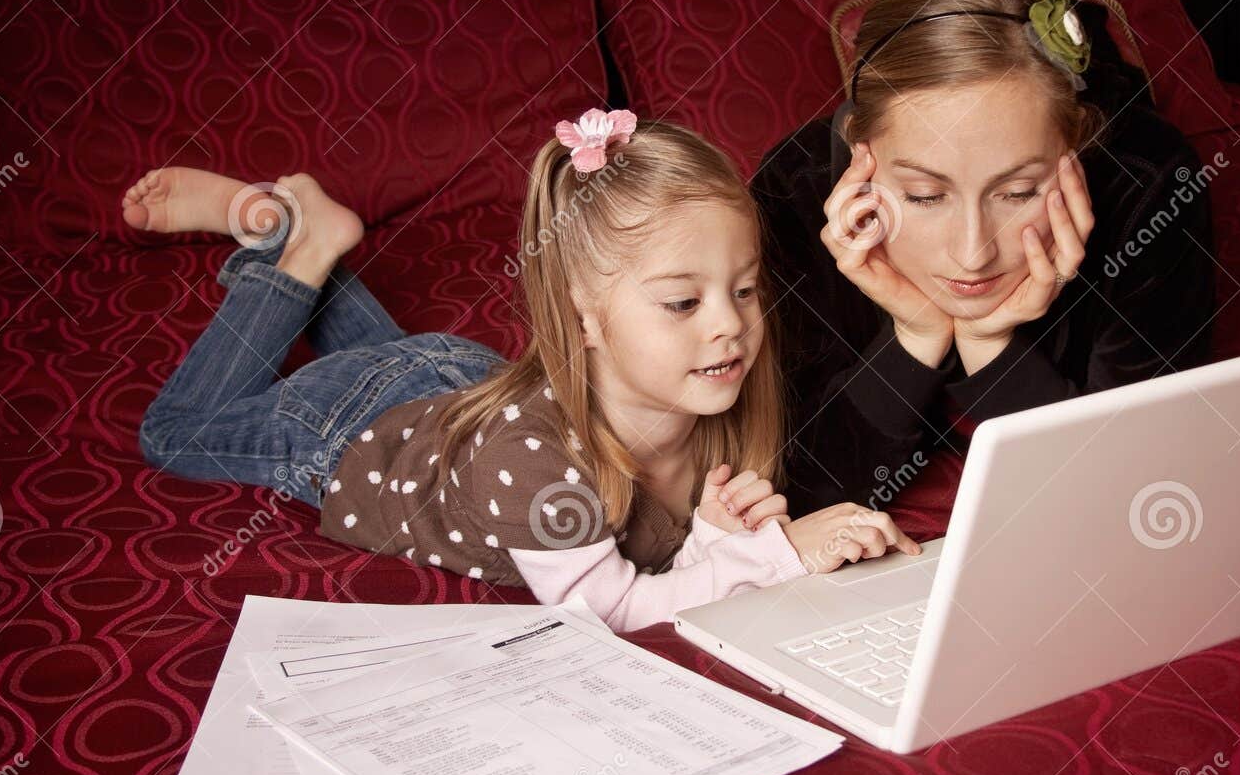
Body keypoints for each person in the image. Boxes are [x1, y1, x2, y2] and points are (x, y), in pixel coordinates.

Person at [127, 111, 919, 631]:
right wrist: (777, 553)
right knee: (172, 432)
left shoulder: (714, 400)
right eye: (683, 302)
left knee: (403, 365)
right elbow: (613, 610)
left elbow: (675, 565)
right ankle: (288, 252)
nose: (731, 323)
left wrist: (712, 538)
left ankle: (314, 237)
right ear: (582, 317)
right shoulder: (534, 466)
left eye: (745, 290)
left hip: (459, 383)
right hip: (352, 430)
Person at [747, 0, 1216, 515]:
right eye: (922, 195)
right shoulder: (797, 188)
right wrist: (915, 335)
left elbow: (1134, 491)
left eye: (1017, 191)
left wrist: (989, 343)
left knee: (1090, 74)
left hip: (1093, 114)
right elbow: (805, 487)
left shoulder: (1149, 185)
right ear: (859, 152)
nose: (974, 255)